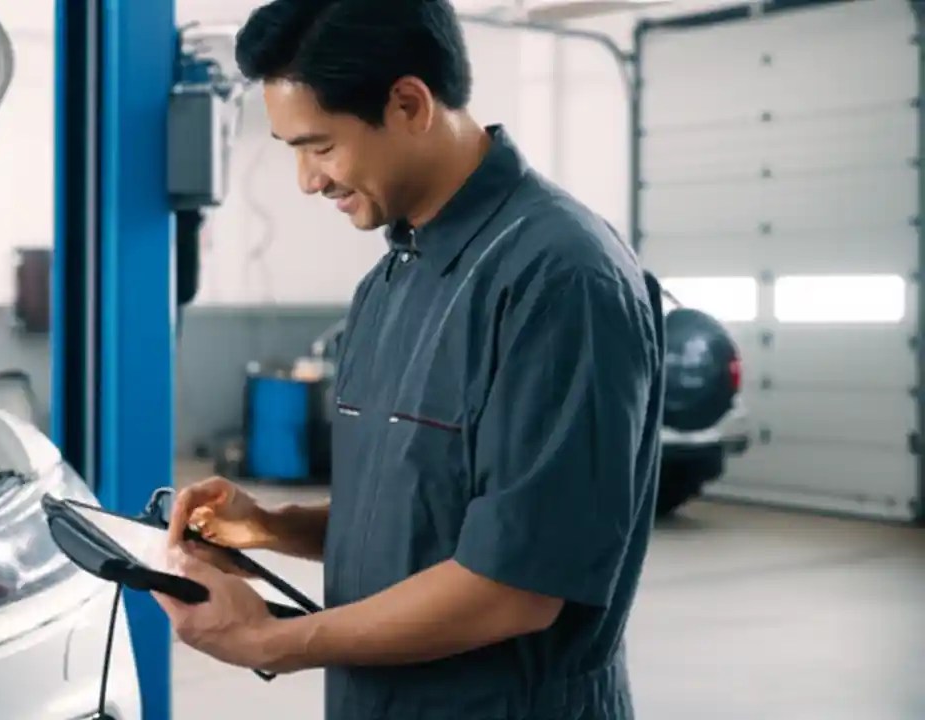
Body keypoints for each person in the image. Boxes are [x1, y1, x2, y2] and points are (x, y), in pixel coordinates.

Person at [154, 1, 665, 718]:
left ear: (408, 104)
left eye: (319, 147)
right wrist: (271, 525)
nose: (306, 180)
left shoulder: (561, 280)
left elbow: (515, 587)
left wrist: (271, 639)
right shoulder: (391, 279)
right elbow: (419, 512)